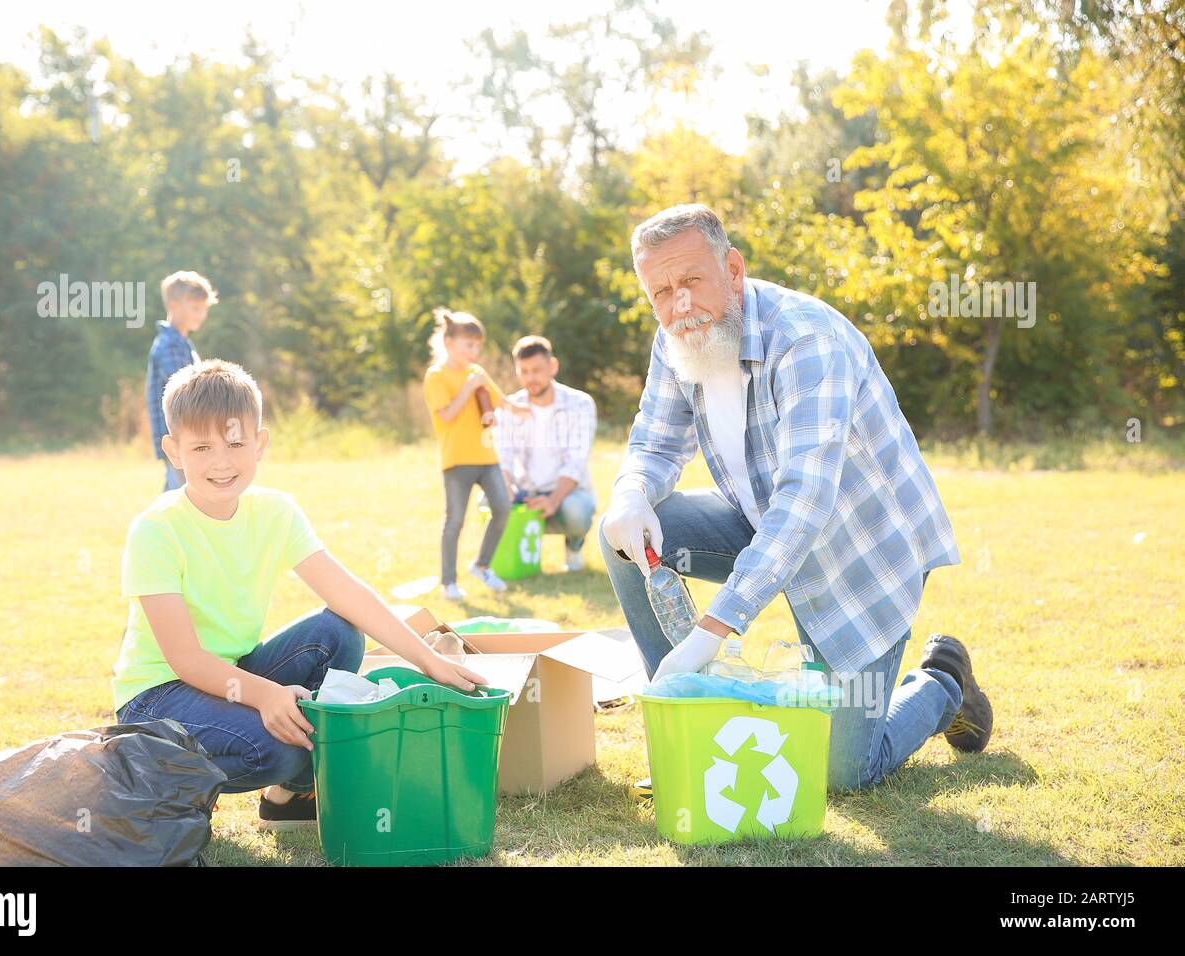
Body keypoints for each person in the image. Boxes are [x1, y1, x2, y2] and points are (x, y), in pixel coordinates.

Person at [599, 203, 993, 796]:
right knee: (625, 538)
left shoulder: (807, 340)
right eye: (660, 291)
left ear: (732, 269)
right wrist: (630, 492)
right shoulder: (676, 339)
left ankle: (942, 685)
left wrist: (712, 630)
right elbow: (654, 442)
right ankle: (681, 719)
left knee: (838, 774)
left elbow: (805, 500)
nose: (678, 305)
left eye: (690, 281)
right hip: (759, 523)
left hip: (859, 552)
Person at [113, 358, 486, 830]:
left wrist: (427, 660)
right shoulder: (156, 529)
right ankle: (157, 784)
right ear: (173, 450)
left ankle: (286, 798)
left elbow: (347, 592)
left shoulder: (274, 511)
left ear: (260, 443)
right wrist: (267, 696)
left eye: (235, 442)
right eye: (202, 447)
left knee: (337, 631)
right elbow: (185, 658)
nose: (221, 462)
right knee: (282, 746)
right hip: (157, 697)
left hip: (231, 674)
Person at [422, 307, 532, 600]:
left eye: (477, 346)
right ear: (449, 344)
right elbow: (447, 415)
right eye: (468, 345)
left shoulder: (477, 372)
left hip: (487, 457)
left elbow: (499, 399)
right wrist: (468, 386)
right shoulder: (436, 377)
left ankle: (482, 565)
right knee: (455, 520)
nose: (474, 351)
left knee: (503, 508)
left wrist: (519, 409)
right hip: (456, 460)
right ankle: (449, 582)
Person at [494, 335, 597, 572]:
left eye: (537, 370)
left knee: (577, 512)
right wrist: (508, 489)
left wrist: (553, 500)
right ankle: (518, 553)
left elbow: (576, 461)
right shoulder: (510, 407)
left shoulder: (579, 403)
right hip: (525, 493)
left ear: (553, 366)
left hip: (567, 494)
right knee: (489, 498)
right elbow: (504, 459)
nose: (531, 378)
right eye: (524, 371)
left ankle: (573, 546)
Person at [146, 271, 214, 492]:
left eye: (204, 308)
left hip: (186, 436)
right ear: (174, 305)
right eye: (195, 308)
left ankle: (162, 527)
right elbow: (188, 391)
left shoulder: (183, 344)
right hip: (178, 437)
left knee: (177, 494)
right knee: (187, 497)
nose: (202, 314)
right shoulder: (169, 345)